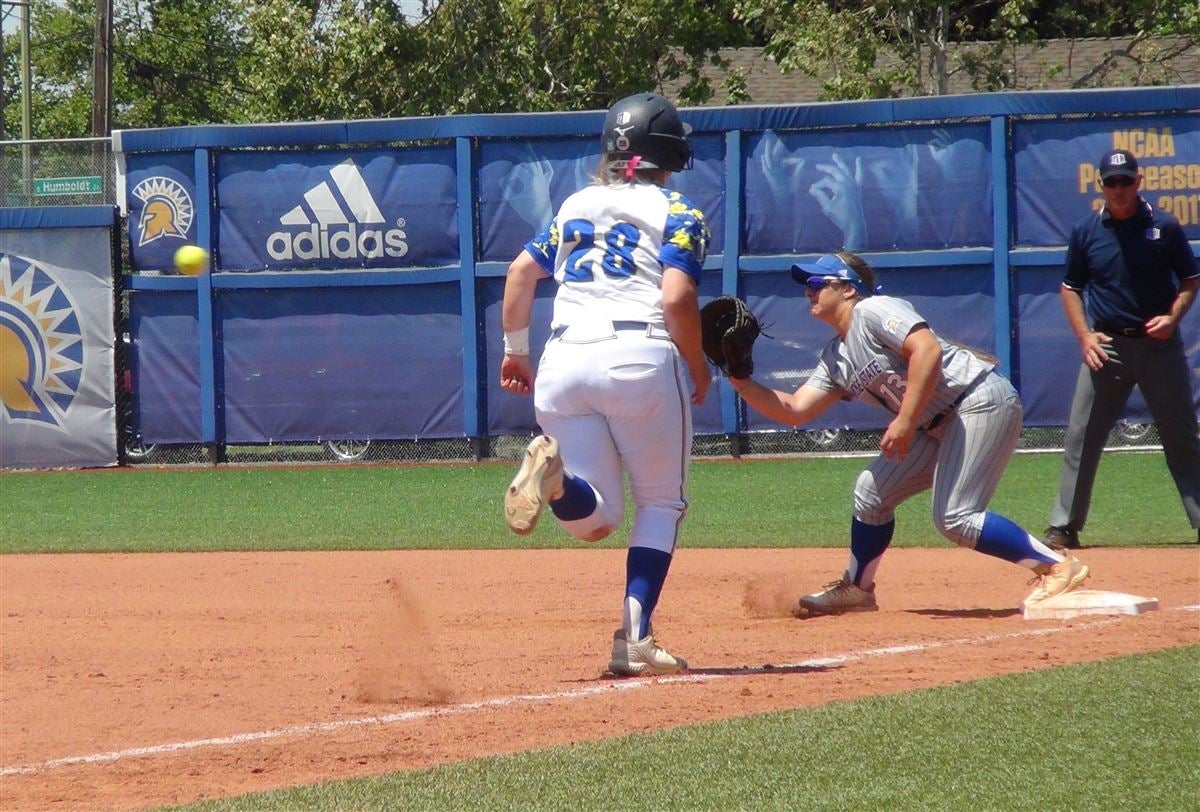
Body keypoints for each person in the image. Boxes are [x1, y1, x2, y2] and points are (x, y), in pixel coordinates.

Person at [728, 252, 1090, 614]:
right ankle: (858, 589)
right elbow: (794, 410)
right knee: (871, 493)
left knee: (956, 518)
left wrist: (904, 420)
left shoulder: (873, 310)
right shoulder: (835, 355)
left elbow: (926, 349)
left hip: (977, 400)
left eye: (817, 283)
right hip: (933, 424)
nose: (808, 292)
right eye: (808, 286)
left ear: (849, 289)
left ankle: (1057, 566)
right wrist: (740, 379)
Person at [499, 92, 711, 675]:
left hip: (564, 357)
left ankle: (557, 477)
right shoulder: (678, 210)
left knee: (596, 521)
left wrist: (516, 353)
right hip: (638, 355)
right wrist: (696, 365)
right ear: (668, 153)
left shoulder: (575, 204)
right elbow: (676, 296)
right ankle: (636, 638)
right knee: (661, 501)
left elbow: (521, 272)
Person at [1044, 148, 1200, 549]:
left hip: (1157, 345)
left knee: (1181, 436)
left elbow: (1189, 278)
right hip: (1107, 347)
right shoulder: (1086, 231)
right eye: (1111, 182)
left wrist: (1173, 318)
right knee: (1081, 436)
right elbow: (1070, 288)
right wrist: (1085, 337)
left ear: (1138, 181)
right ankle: (1064, 526)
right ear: (1100, 185)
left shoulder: (1163, 226)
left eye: (1126, 180)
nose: (1119, 189)